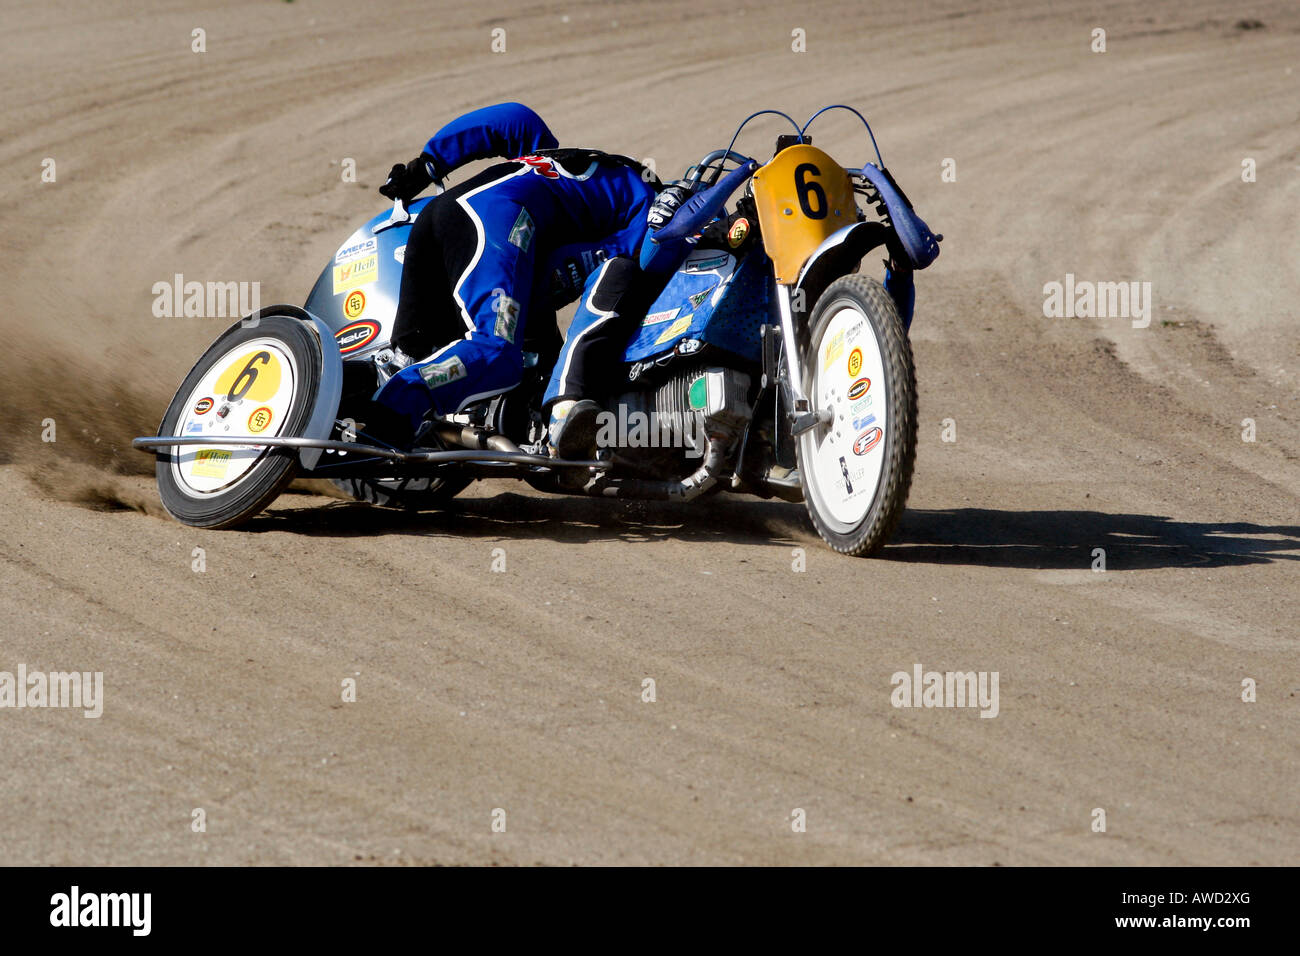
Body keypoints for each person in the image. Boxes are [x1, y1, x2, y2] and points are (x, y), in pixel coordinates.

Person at [371, 102, 690, 457]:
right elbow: (599, 275)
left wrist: (428, 165)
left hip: (441, 216)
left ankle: (360, 412)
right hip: (503, 224)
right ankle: (395, 407)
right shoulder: (649, 217)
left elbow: (514, 120)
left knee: (414, 353)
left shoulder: (577, 167)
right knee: (498, 354)